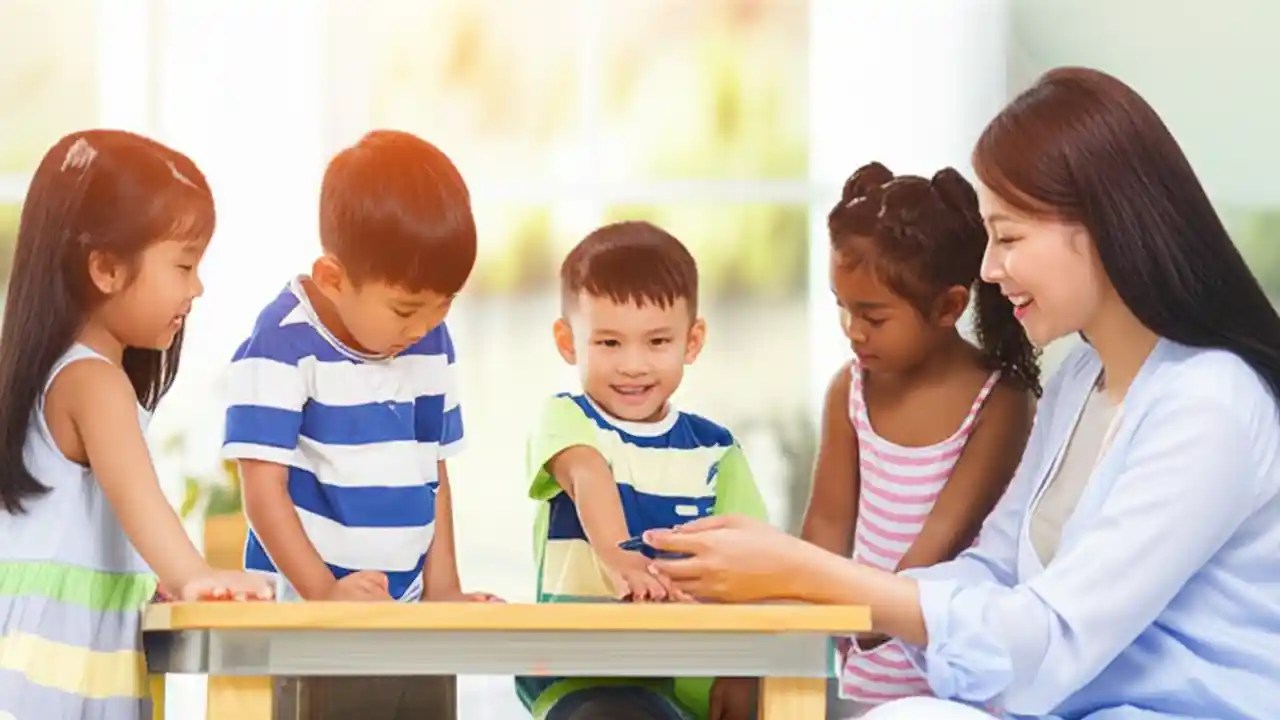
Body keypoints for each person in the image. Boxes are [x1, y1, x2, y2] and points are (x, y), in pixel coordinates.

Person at [644, 66, 1280, 720]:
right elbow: (993, 569)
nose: (988, 270)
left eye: (1009, 237)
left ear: (1103, 224)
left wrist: (806, 573)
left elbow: (1051, 639)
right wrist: (816, 590)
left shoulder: (1208, 407)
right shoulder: (1080, 381)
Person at [222, 130, 498, 720]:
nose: (424, 327)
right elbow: (262, 489)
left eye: (444, 305)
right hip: (311, 622)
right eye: (405, 309)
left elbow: (433, 469)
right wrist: (324, 593)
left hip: (409, 615)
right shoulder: (281, 343)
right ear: (332, 278)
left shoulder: (428, 340)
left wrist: (444, 591)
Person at [0, 130, 273, 719]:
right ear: (105, 268)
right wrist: (193, 575)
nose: (196, 288)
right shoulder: (94, 383)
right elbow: (140, 501)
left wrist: (150, 577)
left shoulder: (59, 378)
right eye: (184, 265)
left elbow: (97, 531)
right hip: (56, 682)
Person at [802, 161, 1039, 711]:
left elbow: (945, 538)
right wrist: (798, 639)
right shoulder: (850, 389)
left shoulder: (999, 400)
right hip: (863, 677)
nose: (853, 331)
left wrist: (868, 619)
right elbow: (826, 528)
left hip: (958, 685)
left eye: (874, 317)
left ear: (949, 306)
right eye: (842, 307)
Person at [515, 221, 767, 720]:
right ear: (568, 342)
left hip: (691, 689)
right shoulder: (566, 419)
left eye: (656, 342)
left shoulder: (717, 451)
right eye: (609, 343)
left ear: (692, 341)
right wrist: (619, 557)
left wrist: (742, 669)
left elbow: (754, 568)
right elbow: (588, 475)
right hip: (582, 682)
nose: (633, 365)